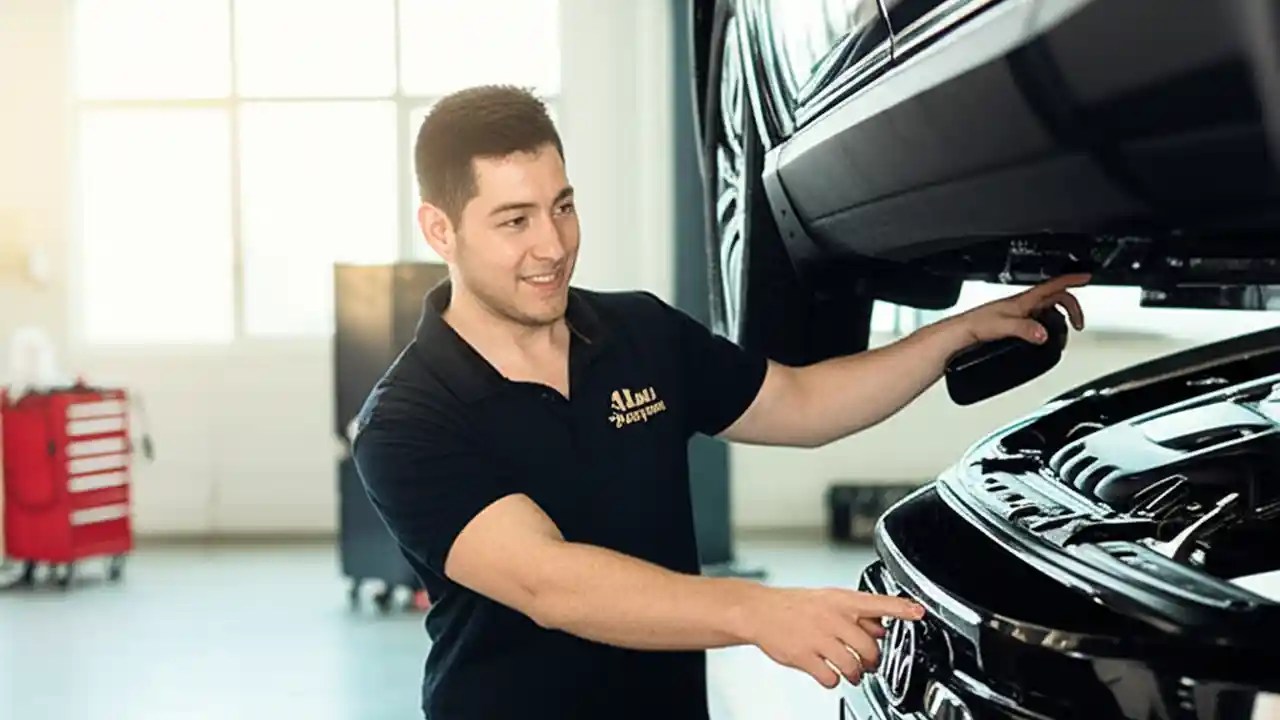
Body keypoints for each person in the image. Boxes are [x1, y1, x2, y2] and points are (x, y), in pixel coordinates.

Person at [351, 84, 1089, 720]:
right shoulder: (408, 418)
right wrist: (760, 612)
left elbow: (799, 403)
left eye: (563, 206)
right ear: (439, 229)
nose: (553, 245)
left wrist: (954, 334)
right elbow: (551, 582)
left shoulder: (637, 331)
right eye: (514, 221)